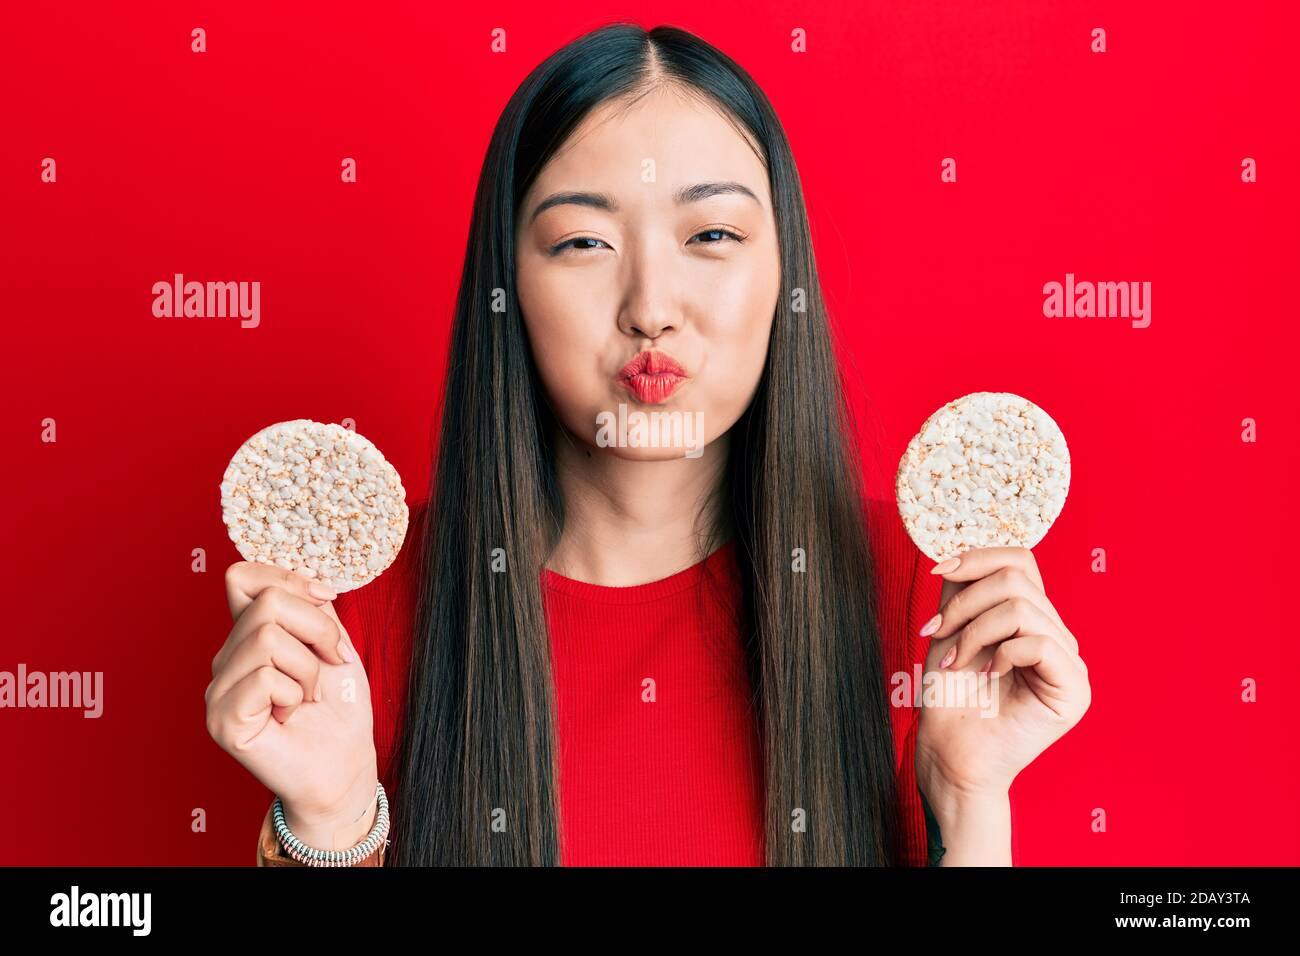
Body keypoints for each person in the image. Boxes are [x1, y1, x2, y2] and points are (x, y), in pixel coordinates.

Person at [205, 22, 1091, 867]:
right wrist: (331, 822)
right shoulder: (346, 630)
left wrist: (969, 806)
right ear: (506, 284)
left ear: (786, 271)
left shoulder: (933, 611)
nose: (651, 305)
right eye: (583, 240)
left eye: (712, 235)